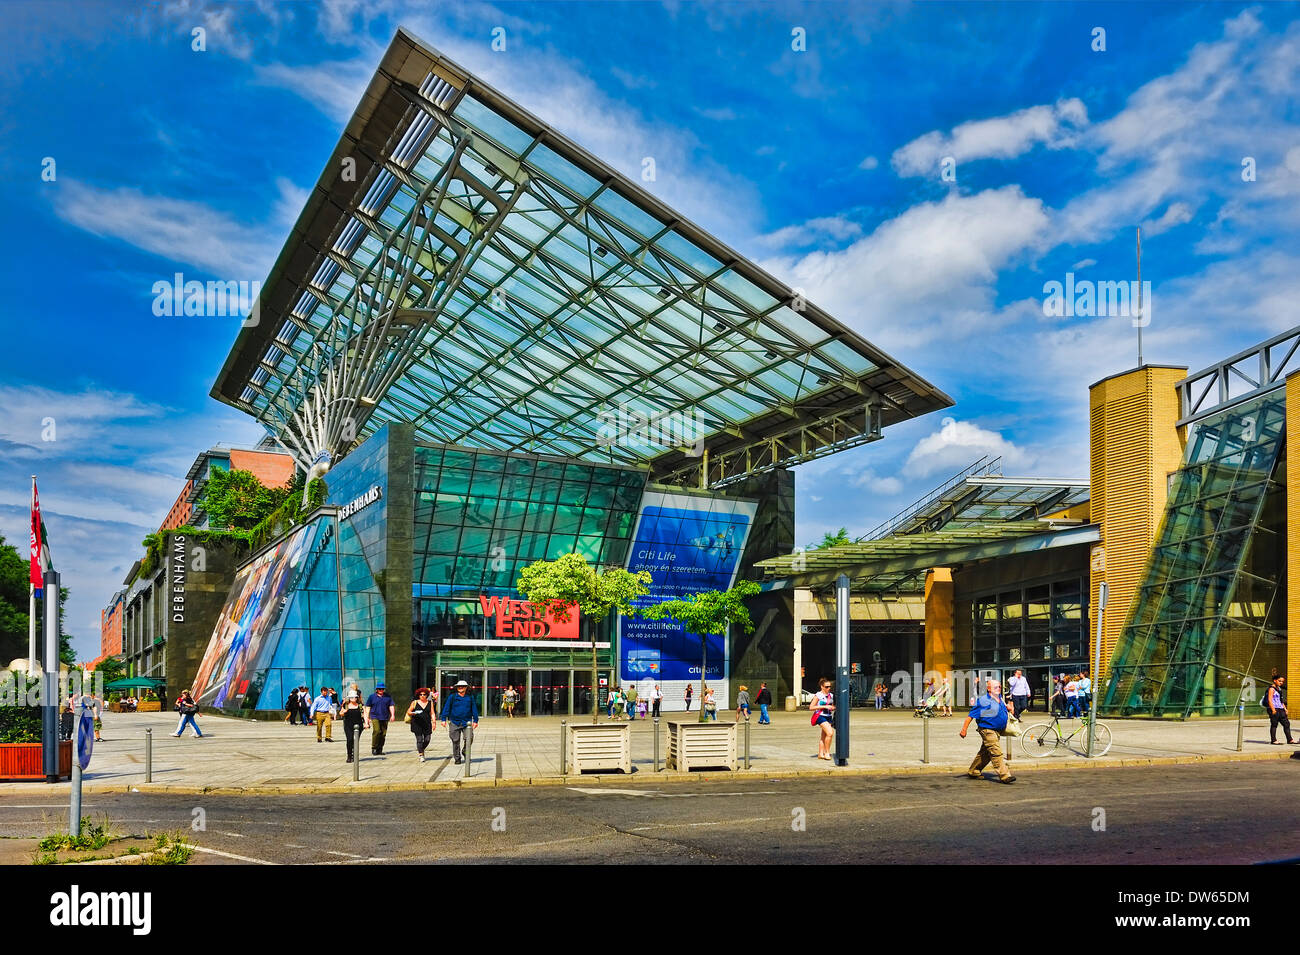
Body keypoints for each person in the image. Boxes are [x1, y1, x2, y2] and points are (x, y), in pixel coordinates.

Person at [960, 680, 1015, 783]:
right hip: (987, 730)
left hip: (997, 730)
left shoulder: (1000, 699)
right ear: (988, 689)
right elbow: (970, 716)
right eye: (995, 687)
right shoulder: (983, 700)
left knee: (985, 753)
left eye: (999, 686)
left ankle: (974, 771)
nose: (998, 688)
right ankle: (1005, 775)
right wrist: (964, 730)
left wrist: (1008, 708)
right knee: (996, 751)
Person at [439, 680, 479, 764]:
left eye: (463, 686)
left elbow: (474, 709)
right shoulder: (452, 697)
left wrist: (475, 720)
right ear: (456, 688)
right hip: (454, 722)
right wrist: (443, 719)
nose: (461, 688)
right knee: (455, 740)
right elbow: (446, 708)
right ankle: (457, 758)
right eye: (459, 686)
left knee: (469, 738)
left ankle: (465, 751)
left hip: (466, 722)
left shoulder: (470, 697)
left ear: (466, 688)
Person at [364, 683, 396, 755]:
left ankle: (380, 749)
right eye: (379, 689)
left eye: (382, 689)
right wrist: (367, 718)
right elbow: (368, 707)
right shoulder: (372, 697)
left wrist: (392, 715)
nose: (381, 690)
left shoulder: (388, 697)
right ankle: (374, 747)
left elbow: (391, 706)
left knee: (383, 733)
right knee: (377, 731)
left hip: (385, 717)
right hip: (375, 716)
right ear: (376, 689)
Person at [407, 688, 436, 761]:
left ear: (427, 695)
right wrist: (414, 713)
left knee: (427, 739)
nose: (422, 696)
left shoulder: (430, 702)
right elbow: (409, 712)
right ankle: (421, 755)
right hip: (417, 723)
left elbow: (432, 713)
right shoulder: (415, 702)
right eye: (421, 694)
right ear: (418, 695)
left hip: (427, 723)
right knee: (419, 740)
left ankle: (421, 749)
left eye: (424, 694)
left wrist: (434, 722)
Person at [1265, 675, 1296, 745]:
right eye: (1279, 681)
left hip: (1280, 708)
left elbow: (1281, 700)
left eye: (1282, 681)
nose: (1281, 682)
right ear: (1275, 680)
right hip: (1274, 708)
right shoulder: (1271, 689)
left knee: (1286, 724)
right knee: (1274, 724)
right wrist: (1273, 710)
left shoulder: (1279, 689)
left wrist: (1285, 709)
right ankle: (1273, 740)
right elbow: (1269, 700)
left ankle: (1290, 740)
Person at [811, 678, 835, 760]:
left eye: (830, 687)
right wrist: (824, 706)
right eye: (826, 687)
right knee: (830, 733)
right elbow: (811, 707)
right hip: (820, 716)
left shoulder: (831, 695)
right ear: (822, 686)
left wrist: (832, 707)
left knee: (824, 736)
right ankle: (827, 752)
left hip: (828, 716)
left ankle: (820, 754)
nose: (828, 688)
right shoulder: (818, 695)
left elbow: (833, 705)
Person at [341, 688, 365, 763]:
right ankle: (349, 755)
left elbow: (365, 714)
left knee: (355, 741)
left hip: (358, 725)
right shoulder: (346, 705)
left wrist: (367, 723)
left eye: (355, 697)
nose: (353, 698)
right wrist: (344, 712)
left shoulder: (360, 705)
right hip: (348, 725)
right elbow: (341, 713)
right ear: (349, 698)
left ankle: (355, 755)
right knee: (349, 739)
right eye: (351, 697)